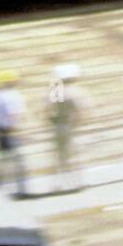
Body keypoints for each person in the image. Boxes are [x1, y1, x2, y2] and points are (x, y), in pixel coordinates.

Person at [47, 64, 90, 192]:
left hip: (58, 126)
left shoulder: (56, 91)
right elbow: (83, 111)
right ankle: (78, 183)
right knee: (76, 154)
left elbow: (46, 110)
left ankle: (60, 184)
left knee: (60, 156)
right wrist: (78, 124)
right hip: (71, 126)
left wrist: (52, 121)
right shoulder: (76, 91)